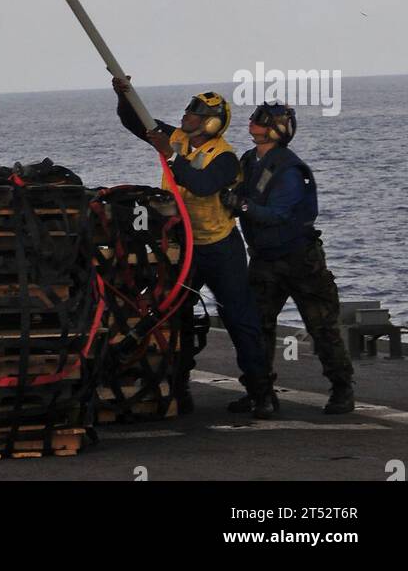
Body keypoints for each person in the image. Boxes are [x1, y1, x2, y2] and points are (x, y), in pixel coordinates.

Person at [114, 78, 275, 417]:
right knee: (175, 314)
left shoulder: (225, 157)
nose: (187, 115)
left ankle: (261, 392)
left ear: (213, 122)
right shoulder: (177, 139)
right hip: (185, 247)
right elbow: (135, 121)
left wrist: (171, 156)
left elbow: (201, 185)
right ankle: (178, 388)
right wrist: (123, 95)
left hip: (220, 249)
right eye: (189, 110)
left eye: (195, 112)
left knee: (239, 319)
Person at [226, 103, 355, 416]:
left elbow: (278, 215)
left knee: (322, 326)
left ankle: (342, 389)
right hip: (264, 259)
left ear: (276, 129)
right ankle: (260, 391)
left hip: (300, 260)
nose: (252, 123)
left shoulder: (290, 170)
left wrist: (240, 206)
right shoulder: (249, 160)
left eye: (260, 120)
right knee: (256, 327)